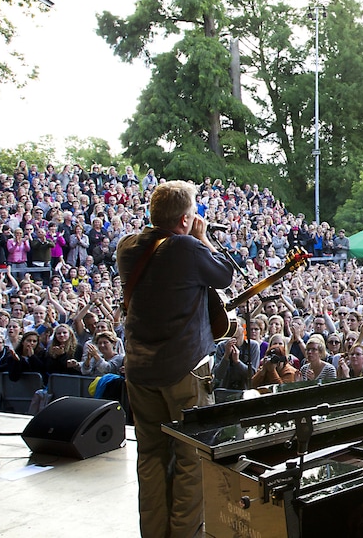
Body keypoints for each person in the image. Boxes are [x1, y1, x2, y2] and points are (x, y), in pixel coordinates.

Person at [116, 180, 234, 538]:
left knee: (150, 456)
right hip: (184, 371)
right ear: (185, 219)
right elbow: (224, 274)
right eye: (194, 212)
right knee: (192, 458)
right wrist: (203, 238)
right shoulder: (185, 247)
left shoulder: (127, 247)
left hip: (140, 371)